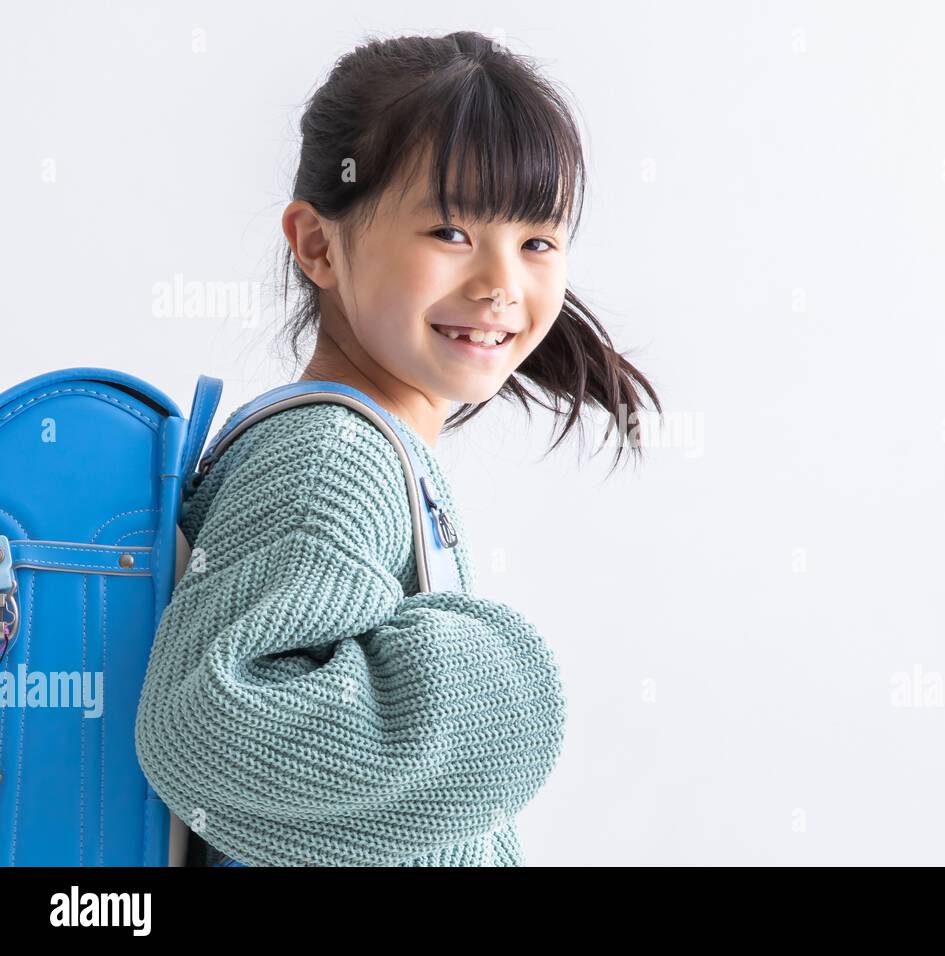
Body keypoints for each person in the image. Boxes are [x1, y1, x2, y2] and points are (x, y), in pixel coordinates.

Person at [134, 30, 660, 867]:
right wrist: (492, 685)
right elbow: (213, 723)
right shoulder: (330, 462)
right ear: (316, 245)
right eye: (450, 231)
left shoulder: (366, 449)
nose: (500, 284)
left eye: (537, 241)